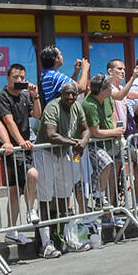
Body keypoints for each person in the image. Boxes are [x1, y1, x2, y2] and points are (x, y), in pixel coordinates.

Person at [35, 79, 87, 257]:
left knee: (65, 196)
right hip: (45, 153)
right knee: (45, 198)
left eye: (74, 94)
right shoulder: (52, 107)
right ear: (60, 95)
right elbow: (51, 134)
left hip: (63, 153)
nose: (71, 97)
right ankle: (45, 244)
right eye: (67, 94)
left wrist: (84, 141)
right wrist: (74, 142)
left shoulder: (77, 107)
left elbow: (86, 129)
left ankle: (68, 239)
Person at [0, 64, 42, 231]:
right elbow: (8, 120)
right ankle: (20, 220)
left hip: (25, 147)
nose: (19, 80)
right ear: (7, 78)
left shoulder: (25, 96)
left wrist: (35, 97)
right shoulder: (1, 97)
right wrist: (20, 142)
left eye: (22, 78)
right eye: (15, 77)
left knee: (23, 182)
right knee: (21, 184)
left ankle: (22, 218)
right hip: (12, 149)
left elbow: (37, 114)